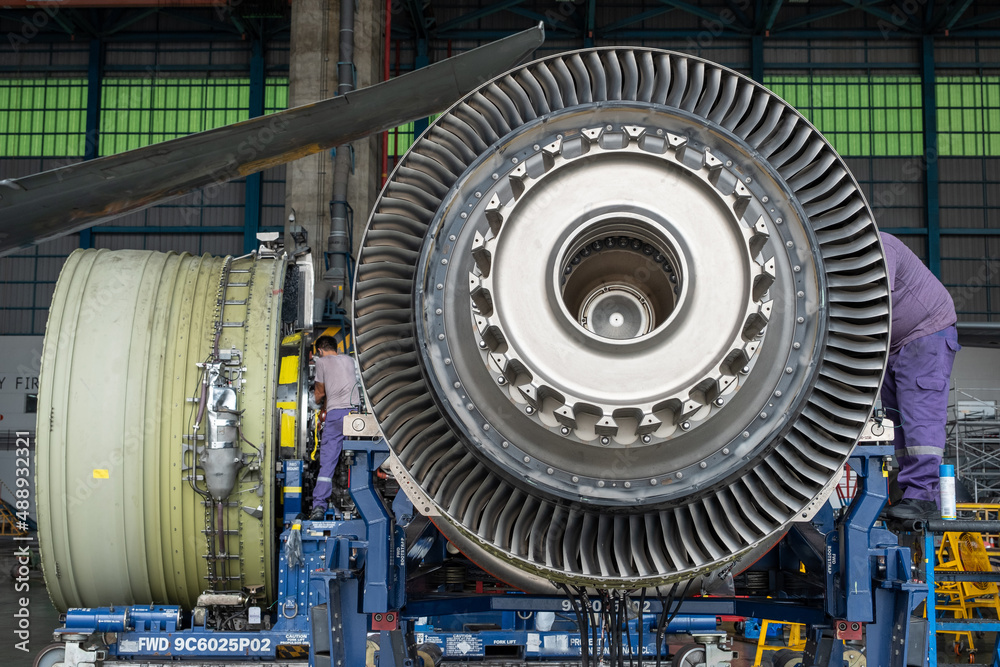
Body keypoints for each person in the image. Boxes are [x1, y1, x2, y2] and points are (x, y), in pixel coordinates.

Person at [879, 232, 961, 522]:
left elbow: (874, 300)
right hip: (892, 345)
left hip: (926, 333)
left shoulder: (880, 245)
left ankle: (923, 495)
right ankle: (912, 491)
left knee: (919, 413)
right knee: (898, 420)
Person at [310, 335, 357, 520]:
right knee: (355, 459)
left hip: (336, 415)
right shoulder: (349, 360)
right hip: (356, 416)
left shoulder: (322, 362)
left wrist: (314, 401)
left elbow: (320, 393)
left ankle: (319, 506)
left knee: (328, 462)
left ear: (320, 350)